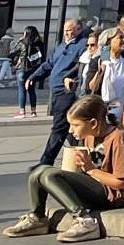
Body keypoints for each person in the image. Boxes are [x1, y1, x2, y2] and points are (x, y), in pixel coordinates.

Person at [4, 95, 124, 244]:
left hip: (110, 194)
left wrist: (90, 169)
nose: (71, 130)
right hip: (92, 185)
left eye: (75, 125)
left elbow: (122, 183)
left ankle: (85, 221)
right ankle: (37, 217)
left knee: (50, 175)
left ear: (93, 123)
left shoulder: (119, 139)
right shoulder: (90, 135)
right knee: (38, 172)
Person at [26, 20, 92, 166]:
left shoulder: (83, 45)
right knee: (69, 127)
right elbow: (49, 64)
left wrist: (70, 79)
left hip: (67, 91)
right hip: (56, 90)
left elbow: (81, 68)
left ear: (78, 29)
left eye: (69, 30)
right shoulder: (61, 46)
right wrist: (33, 77)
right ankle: (86, 156)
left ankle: (45, 161)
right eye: (65, 30)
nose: (66, 33)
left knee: (59, 127)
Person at [14, 26, 45, 118]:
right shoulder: (39, 44)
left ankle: (22, 111)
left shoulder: (23, 42)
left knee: (22, 90)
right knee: (32, 90)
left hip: (23, 69)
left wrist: (19, 41)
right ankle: (33, 111)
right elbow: (42, 57)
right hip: (33, 70)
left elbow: (13, 53)